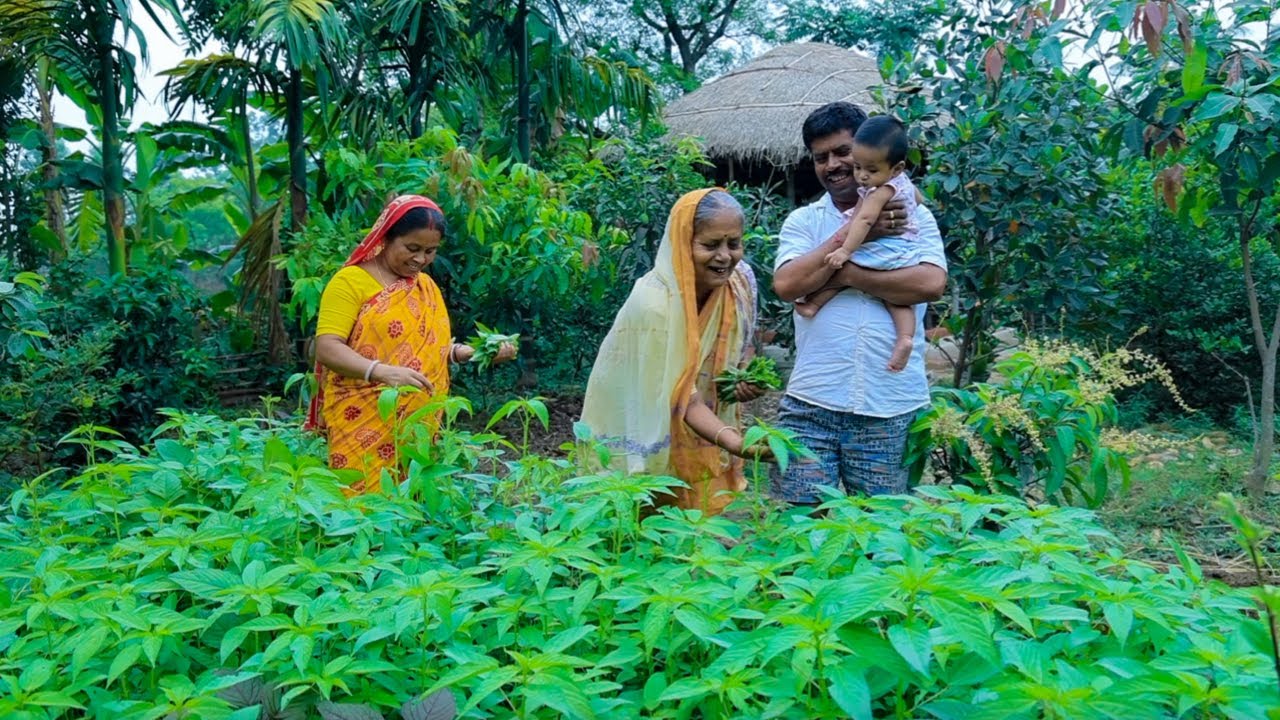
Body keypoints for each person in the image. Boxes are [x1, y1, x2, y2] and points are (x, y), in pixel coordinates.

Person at [771, 102, 948, 506]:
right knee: (803, 526)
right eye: (821, 158)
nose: (833, 165)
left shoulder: (912, 213)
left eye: (842, 152)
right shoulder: (803, 222)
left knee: (882, 536)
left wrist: (846, 275)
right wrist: (857, 235)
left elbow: (930, 283)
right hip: (811, 404)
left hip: (890, 405)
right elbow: (787, 284)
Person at [580, 188, 771, 515]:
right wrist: (736, 443)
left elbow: (744, 346)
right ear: (683, 243)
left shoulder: (739, 284)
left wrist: (744, 378)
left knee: (692, 538)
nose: (725, 256)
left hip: (703, 430)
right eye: (710, 245)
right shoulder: (654, 303)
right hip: (646, 425)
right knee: (640, 524)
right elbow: (682, 395)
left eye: (734, 244)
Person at [305, 194, 514, 494]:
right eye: (412, 248)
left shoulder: (425, 286)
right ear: (386, 237)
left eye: (430, 251)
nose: (421, 259)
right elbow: (327, 348)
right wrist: (381, 372)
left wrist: (472, 353)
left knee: (409, 504)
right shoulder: (350, 282)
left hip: (418, 421)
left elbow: (431, 348)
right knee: (361, 504)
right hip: (362, 415)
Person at [802, 115, 922, 373]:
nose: (863, 176)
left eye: (871, 170)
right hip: (904, 252)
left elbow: (865, 219)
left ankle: (815, 303)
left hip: (884, 251)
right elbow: (918, 198)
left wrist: (845, 250)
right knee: (897, 301)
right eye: (859, 167)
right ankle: (905, 337)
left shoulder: (881, 192)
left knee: (838, 271)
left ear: (897, 168)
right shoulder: (902, 184)